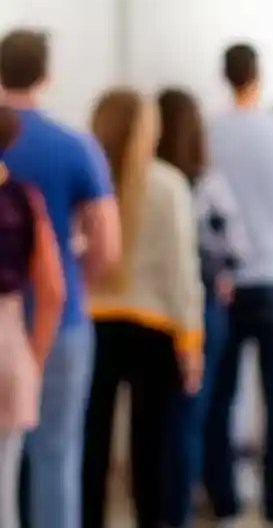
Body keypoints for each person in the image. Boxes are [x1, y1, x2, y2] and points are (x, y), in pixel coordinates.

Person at [0, 29, 119, 528]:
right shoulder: (74, 145)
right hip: (58, 314)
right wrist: (78, 273)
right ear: (47, 75)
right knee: (57, 454)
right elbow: (107, 243)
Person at [80, 89, 204, 528]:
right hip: (156, 326)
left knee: (90, 446)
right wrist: (191, 338)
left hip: (94, 324)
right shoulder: (167, 184)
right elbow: (181, 270)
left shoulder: (87, 179)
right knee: (153, 450)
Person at [205, 43, 273, 526]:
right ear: (259, 76)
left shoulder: (211, 134)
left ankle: (224, 499)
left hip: (225, 279)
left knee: (220, 394)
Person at [155, 88, 250, 528]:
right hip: (200, 307)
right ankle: (210, 501)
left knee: (164, 420)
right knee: (204, 410)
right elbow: (233, 246)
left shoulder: (140, 181)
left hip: (150, 313)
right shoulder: (204, 183)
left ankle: (171, 505)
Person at [0, 105, 65, 528]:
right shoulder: (23, 199)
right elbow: (54, 291)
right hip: (7, 341)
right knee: (4, 485)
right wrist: (35, 358)